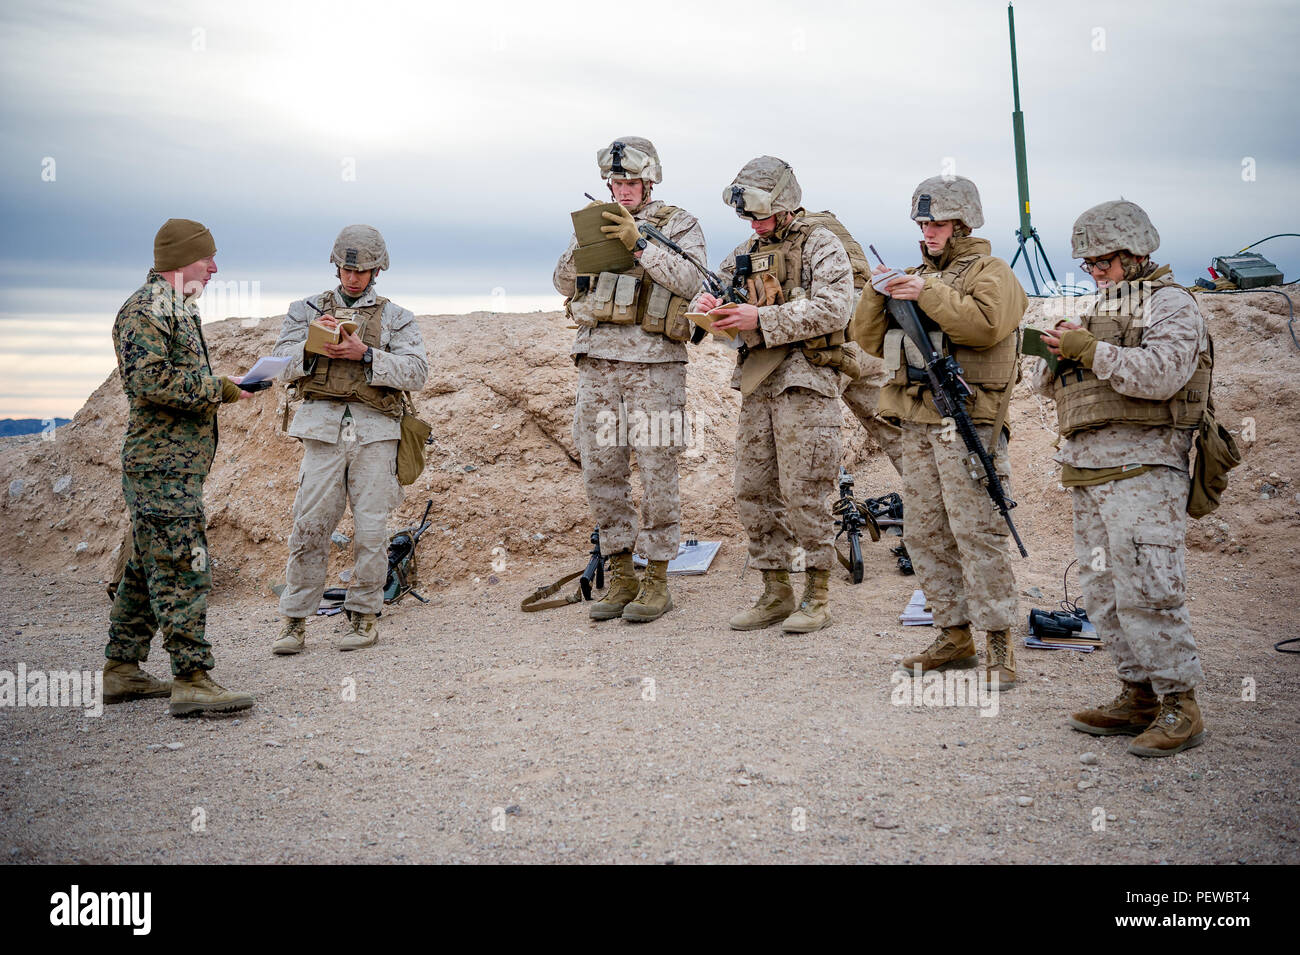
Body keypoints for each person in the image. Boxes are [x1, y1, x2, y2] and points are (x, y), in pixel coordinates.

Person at [1035, 199, 1209, 757]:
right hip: (1088, 470)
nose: (1097, 274)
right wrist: (1058, 354)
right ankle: (1136, 695)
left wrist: (1093, 350)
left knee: (1149, 591)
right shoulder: (1099, 309)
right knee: (1104, 594)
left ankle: (1180, 705)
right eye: (1088, 265)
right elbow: (1049, 384)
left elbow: (1162, 374)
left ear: (1136, 254)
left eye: (1104, 263)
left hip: (1145, 470)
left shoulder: (1172, 305)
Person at [851, 176, 1026, 687]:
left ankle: (998, 641)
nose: (928, 232)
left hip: (969, 421)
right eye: (923, 223)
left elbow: (985, 326)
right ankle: (954, 632)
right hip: (918, 419)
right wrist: (875, 291)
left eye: (938, 223)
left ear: (963, 222)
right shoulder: (913, 276)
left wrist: (926, 291)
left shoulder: (993, 273)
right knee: (925, 533)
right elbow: (866, 339)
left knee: (978, 531)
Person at [104, 218, 259, 716]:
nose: (214, 268)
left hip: (173, 468)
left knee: (147, 569)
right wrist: (221, 389)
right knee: (183, 569)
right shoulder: (148, 309)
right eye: (207, 258)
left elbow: (172, 376)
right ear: (180, 260)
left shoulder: (177, 308)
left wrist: (227, 382)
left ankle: (122, 670)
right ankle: (191, 678)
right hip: (159, 469)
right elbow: (149, 381)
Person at [693, 156, 852, 634]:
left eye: (761, 214)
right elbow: (717, 300)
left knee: (806, 490)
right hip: (758, 384)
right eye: (747, 216)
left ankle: (817, 594)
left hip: (806, 381)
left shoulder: (821, 244)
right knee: (754, 489)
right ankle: (776, 590)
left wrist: (759, 319)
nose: (754, 224)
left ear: (785, 205)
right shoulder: (744, 251)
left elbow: (835, 309)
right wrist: (709, 307)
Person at [553, 137, 707, 622]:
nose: (621, 191)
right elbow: (561, 283)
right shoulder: (599, 219)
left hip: (655, 366)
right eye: (615, 183)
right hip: (597, 362)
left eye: (630, 183)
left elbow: (694, 283)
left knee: (658, 469)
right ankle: (620, 573)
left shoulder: (679, 223)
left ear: (650, 181)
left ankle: (657, 578)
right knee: (602, 471)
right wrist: (587, 243)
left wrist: (637, 244)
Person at [271, 225, 428, 653]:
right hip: (321, 430)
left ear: (378, 270)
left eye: (363, 271)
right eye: (347, 269)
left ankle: (364, 616)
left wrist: (367, 355)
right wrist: (311, 346)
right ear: (336, 266)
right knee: (310, 526)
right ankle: (294, 620)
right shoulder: (304, 309)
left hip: (375, 433)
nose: (354, 278)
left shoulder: (397, 318)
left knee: (372, 531)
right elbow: (277, 367)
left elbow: (417, 372)